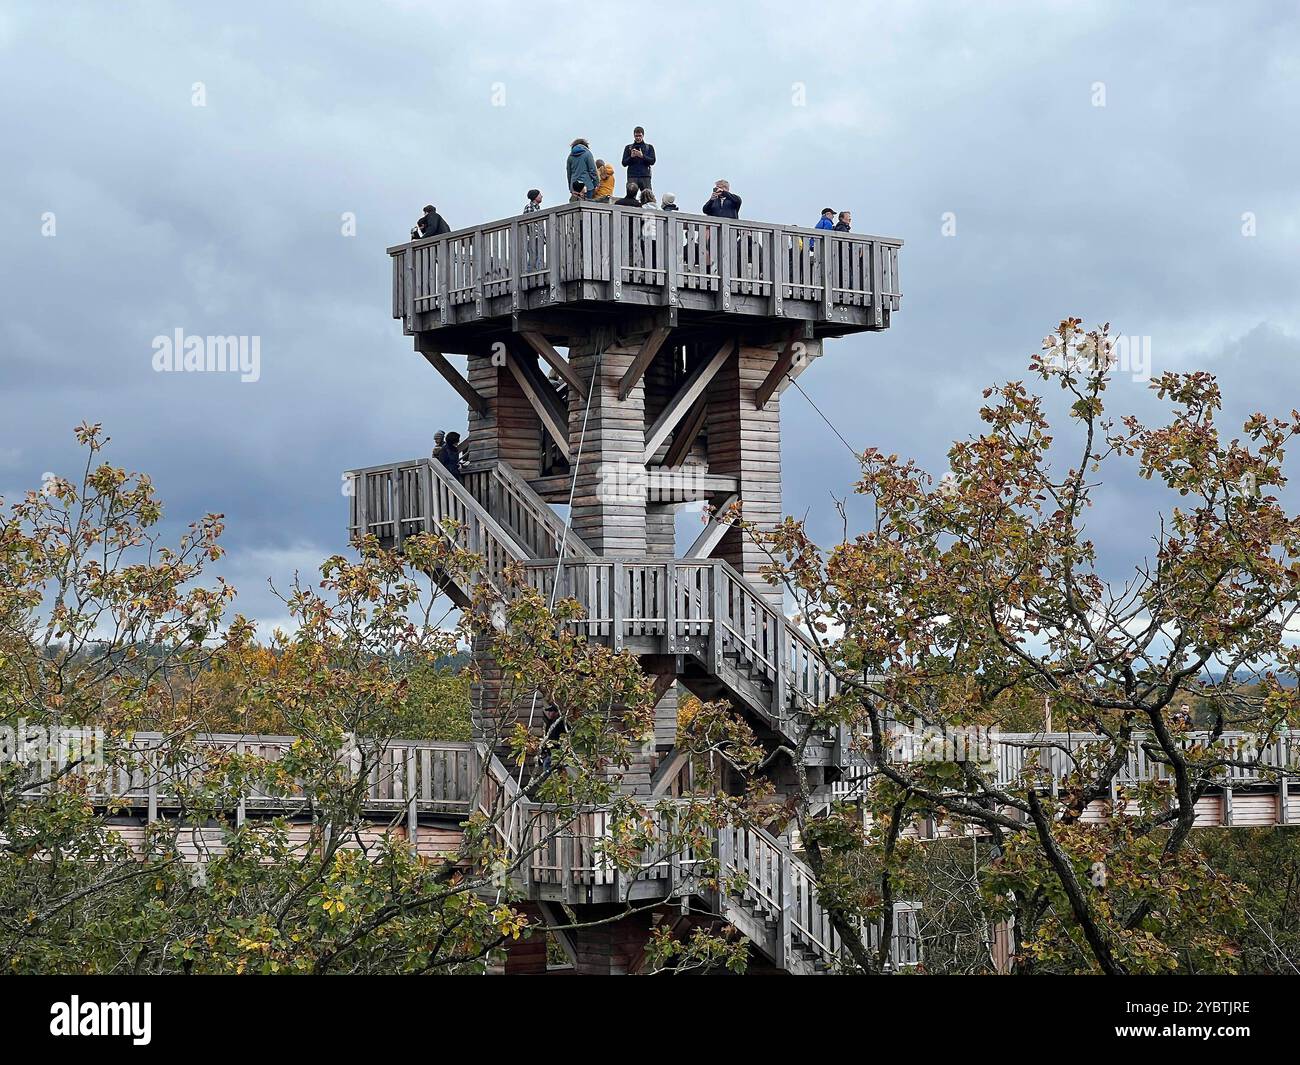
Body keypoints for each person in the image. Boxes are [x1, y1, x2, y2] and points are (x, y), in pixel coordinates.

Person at [621, 126, 657, 192]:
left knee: (647, 197)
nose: (638, 138)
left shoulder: (649, 147)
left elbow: (653, 161)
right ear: (634, 136)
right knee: (630, 196)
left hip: (645, 176)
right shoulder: (628, 147)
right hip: (632, 176)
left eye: (640, 136)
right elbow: (624, 163)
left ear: (643, 135)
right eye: (636, 136)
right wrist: (631, 157)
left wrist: (642, 156)